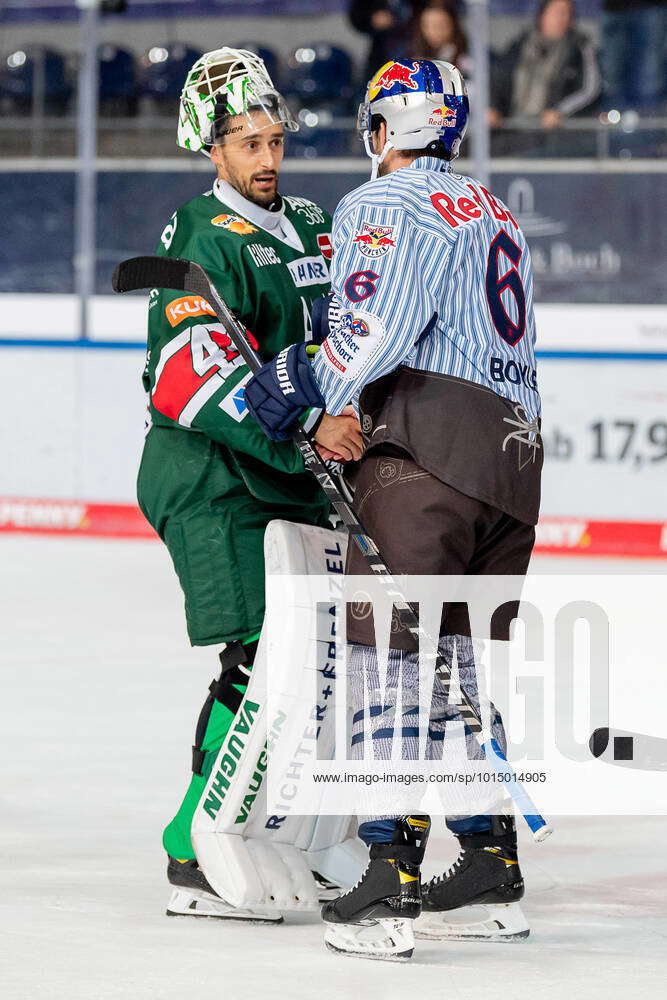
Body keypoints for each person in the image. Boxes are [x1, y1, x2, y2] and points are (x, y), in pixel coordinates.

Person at [245, 57, 543, 961]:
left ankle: (388, 880)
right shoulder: (494, 211)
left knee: (392, 664)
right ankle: (489, 862)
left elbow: (373, 325)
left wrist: (304, 381)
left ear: (388, 129)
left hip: (428, 451)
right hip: (514, 460)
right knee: (452, 662)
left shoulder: (382, 204)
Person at [137, 46, 363, 922]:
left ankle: (293, 827)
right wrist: (302, 421)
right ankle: (194, 838)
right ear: (211, 147)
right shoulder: (199, 231)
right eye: (245, 143)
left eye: (275, 139)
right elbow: (184, 373)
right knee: (260, 656)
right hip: (213, 476)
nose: (266, 159)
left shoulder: (309, 220)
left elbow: (347, 327)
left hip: (288, 469)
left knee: (322, 658)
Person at [490, 0, 600, 129]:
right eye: (556, 12)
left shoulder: (580, 47)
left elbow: (590, 90)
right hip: (512, 126)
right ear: (542, 14)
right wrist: (492, 107)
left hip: (554, 131)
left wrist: (560, 111)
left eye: (567, 13)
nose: (561, 18)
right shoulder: (520, 44)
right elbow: (498, 79)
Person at [602, 0, 667, 112]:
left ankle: (648, 127)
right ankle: (612, 128)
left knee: (648, 82)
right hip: (613, 9)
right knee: (611, 81)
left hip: (651, 8)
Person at [411, 0, 471, 77]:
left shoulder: (466, 57)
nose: (433, 31)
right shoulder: (415, 53)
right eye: (427, 25)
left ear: (453, 25)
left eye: (440, 25)